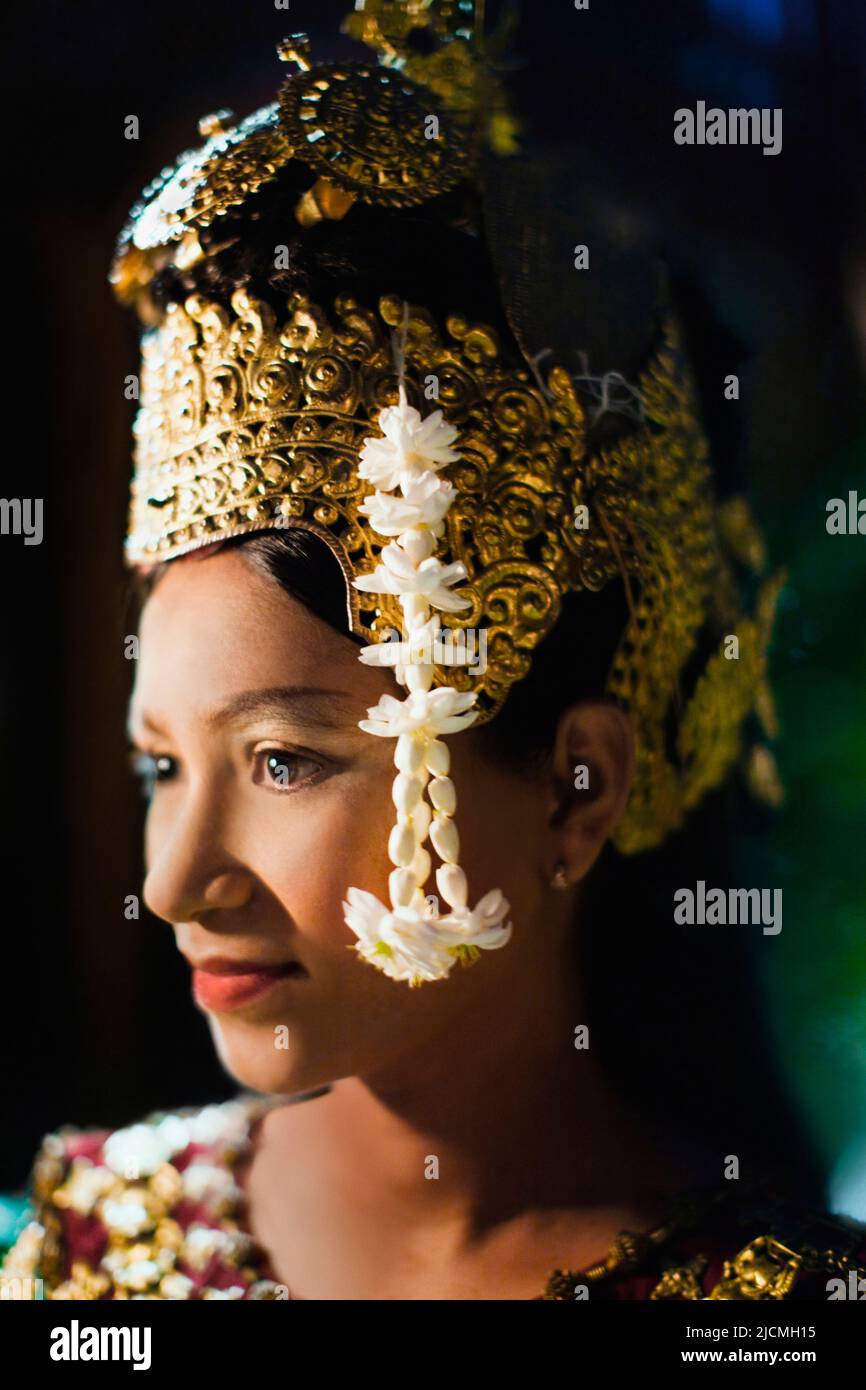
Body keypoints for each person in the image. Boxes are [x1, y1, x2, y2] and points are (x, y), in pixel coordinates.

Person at [3, 1, 865, 1300]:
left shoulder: (771, 1309)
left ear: (577, 786)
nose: (176, 882)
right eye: (159, 767)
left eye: (285, 758)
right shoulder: (86, 1254)